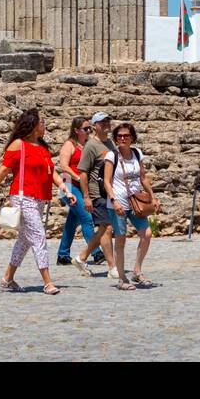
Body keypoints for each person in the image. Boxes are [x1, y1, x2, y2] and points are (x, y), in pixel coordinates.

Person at [0, 108, 76, 294]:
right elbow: (3, 170)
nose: (44, 125)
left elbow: (53, 173)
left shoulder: (42, 147)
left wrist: (66, 189)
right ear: (33, 125)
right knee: (39, 236)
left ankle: (8, 278)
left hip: (39, 198)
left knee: (24, 240)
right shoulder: (18, 145)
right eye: (42, 122)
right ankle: (47, 282)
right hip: (23, 198)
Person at [104, 122, 155, 290]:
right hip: (118, 202)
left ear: (132, 137)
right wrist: (114, 201)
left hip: (135, 202)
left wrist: (152, 196)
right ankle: (122, 278)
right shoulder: (112, 156)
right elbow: (107, 181)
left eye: (126, 135)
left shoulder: (137, 153)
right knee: (120, 239)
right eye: (119, 136)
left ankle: (137, 270)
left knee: (146, 233)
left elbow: (143, 177)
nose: (122, 138)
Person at [73, 112, 118, 276]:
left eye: (108, 120)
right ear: (95, 126)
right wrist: (86, 197)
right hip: (96, 193)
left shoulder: (111, 143)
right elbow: (83, 172)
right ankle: (113, 267)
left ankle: (81, 257)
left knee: (103, 229)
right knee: (107, 228)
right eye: (102, 121)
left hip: (109, 192)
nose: (106, 123)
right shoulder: (91, 146)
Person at [55, 116, 96, 265]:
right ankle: (96, 252)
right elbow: (64, 166)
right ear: (76, 130)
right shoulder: (69, 145)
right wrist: (79, 178)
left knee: (72, 222)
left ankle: (63, 254)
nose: (88, 131)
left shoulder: (88, 145)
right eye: (85, 129)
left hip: (83, 187)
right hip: (69, 185)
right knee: (86, 217)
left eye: (89, 128)